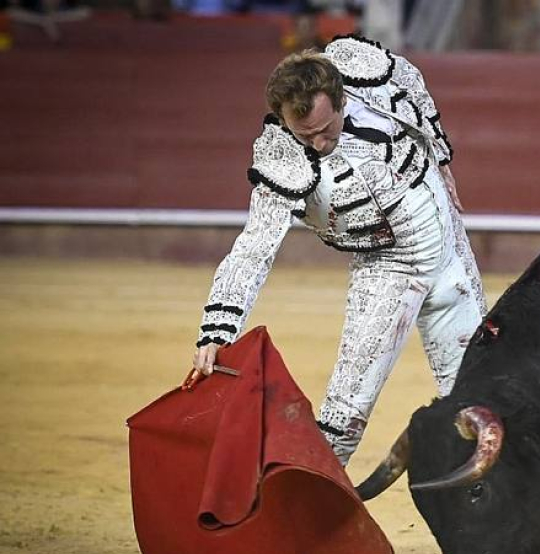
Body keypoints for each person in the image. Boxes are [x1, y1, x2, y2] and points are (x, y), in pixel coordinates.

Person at [192, 35, 487, 468]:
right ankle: (295, 522)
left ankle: (493, 523)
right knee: (343, 420)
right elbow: (252, 249)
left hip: (449, 249)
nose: (317, 145)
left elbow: (410, 79)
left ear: (341, 97)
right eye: (304, 135)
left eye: (325, 130)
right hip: (387, 268)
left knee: (480, 400)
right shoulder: (281, 160)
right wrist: (217, 331)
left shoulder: (362, 67)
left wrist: (440, 156)